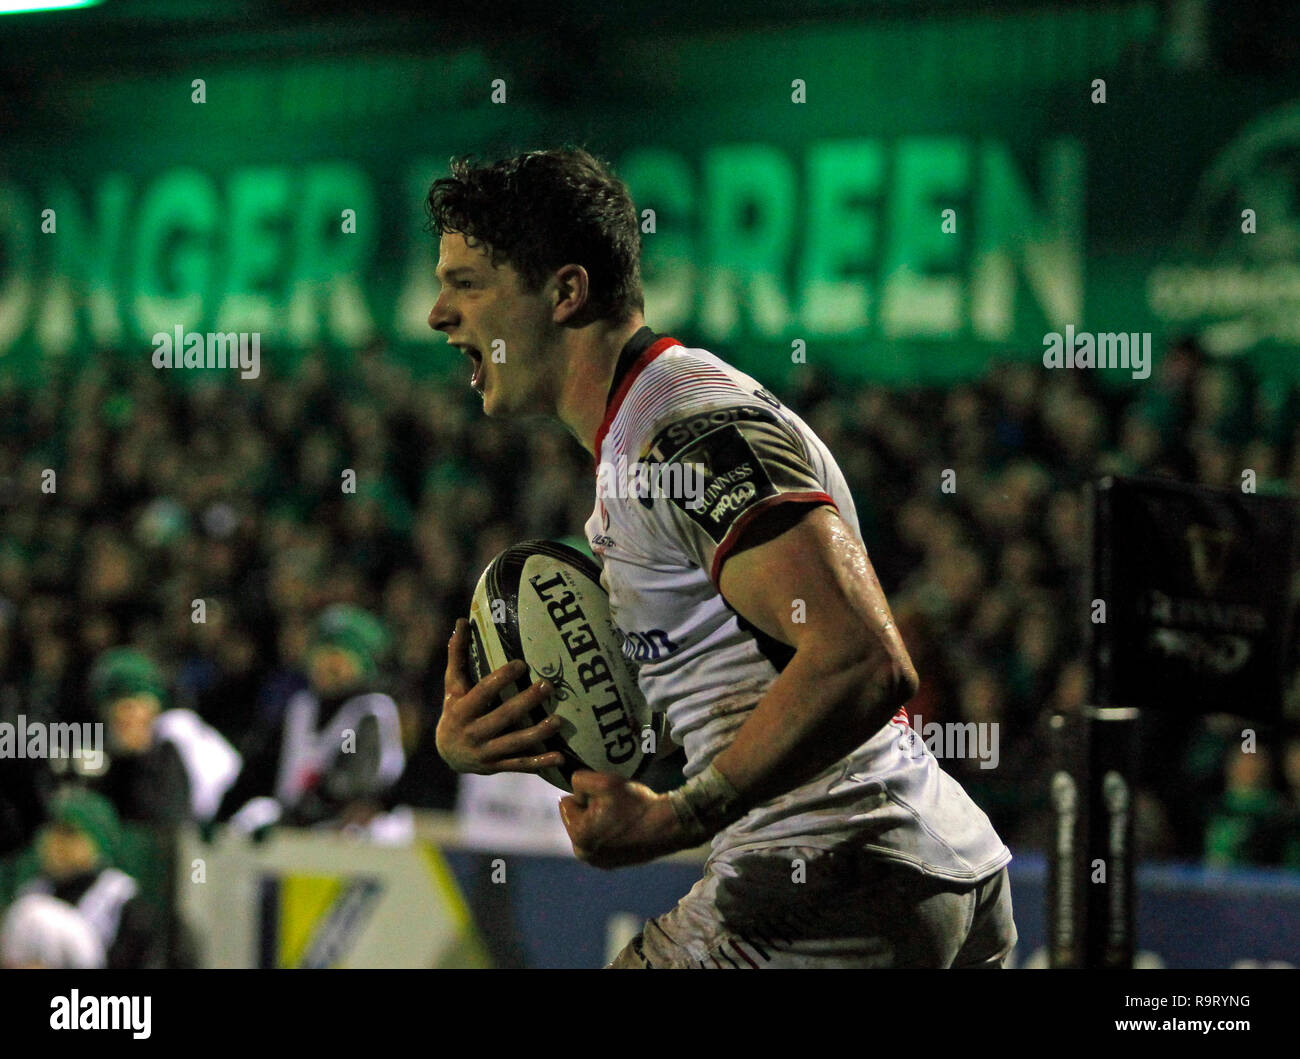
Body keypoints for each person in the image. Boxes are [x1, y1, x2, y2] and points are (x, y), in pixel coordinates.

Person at [428, 147, 1015, 968]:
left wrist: (674, 819)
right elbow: (735, 702)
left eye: (466, 283)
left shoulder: (687, 433)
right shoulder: (645, 443)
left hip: (839, 869)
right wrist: (499, 741)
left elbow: (860, 658)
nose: (438, 314)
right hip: (896, 863)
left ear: (566, 291)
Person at [224, 604, 409, 839]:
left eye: (338, 657)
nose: (325, 664)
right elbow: (260, 770)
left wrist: (293, 819)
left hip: (353, 836)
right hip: (299, 830)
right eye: (322, 654)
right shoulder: (301, 707)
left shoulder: (371, 710)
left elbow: (352, 785)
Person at [10, 788, 165, 968]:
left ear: (97, 842)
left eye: (69, 833)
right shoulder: (33, 892)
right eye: (52, 830)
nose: (56, 842)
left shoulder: (121, 899)